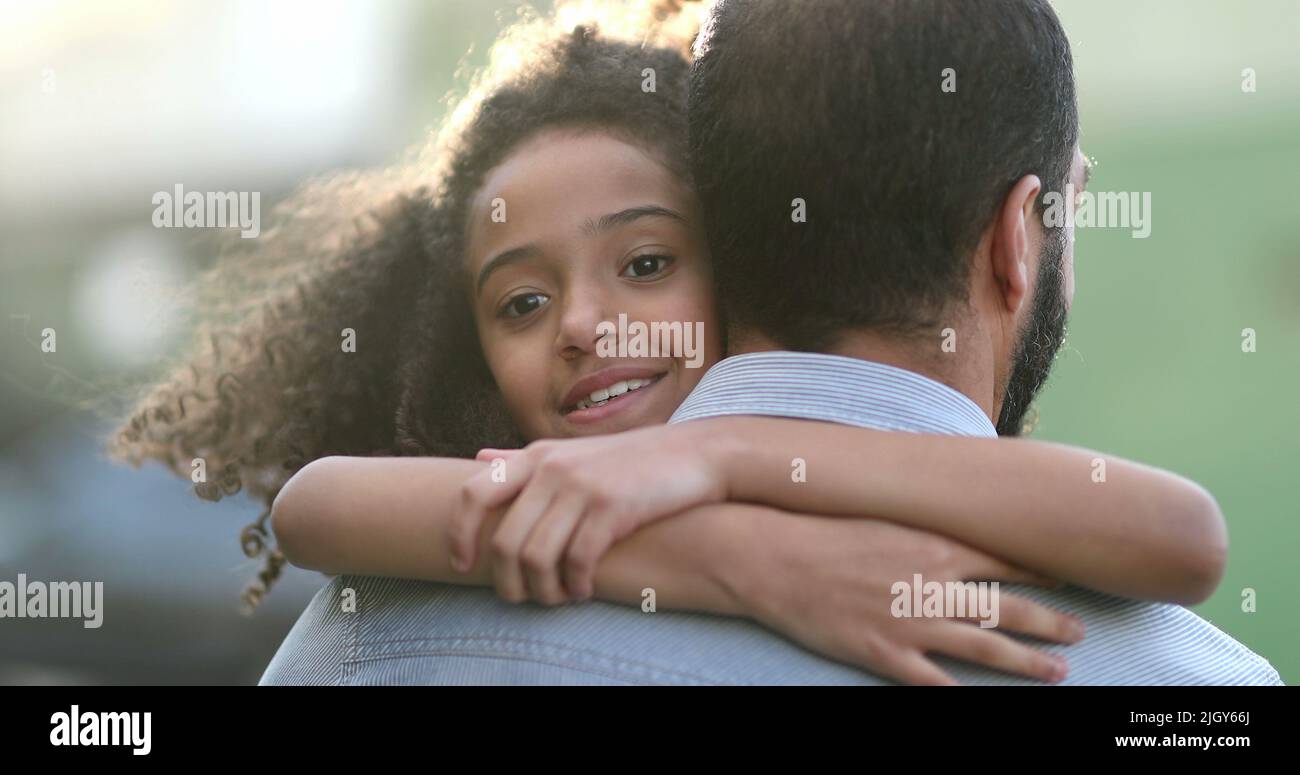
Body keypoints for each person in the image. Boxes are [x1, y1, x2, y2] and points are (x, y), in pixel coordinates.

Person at [238, 2, 1277, 684]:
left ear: (730, 250)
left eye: (644, 264)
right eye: (520, 302)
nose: (588, 327)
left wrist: (713, 452)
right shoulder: (1201, 690)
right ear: (1018, 238)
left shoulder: (356, 644)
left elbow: (1181, 535)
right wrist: (746, 559)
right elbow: (318, 502)